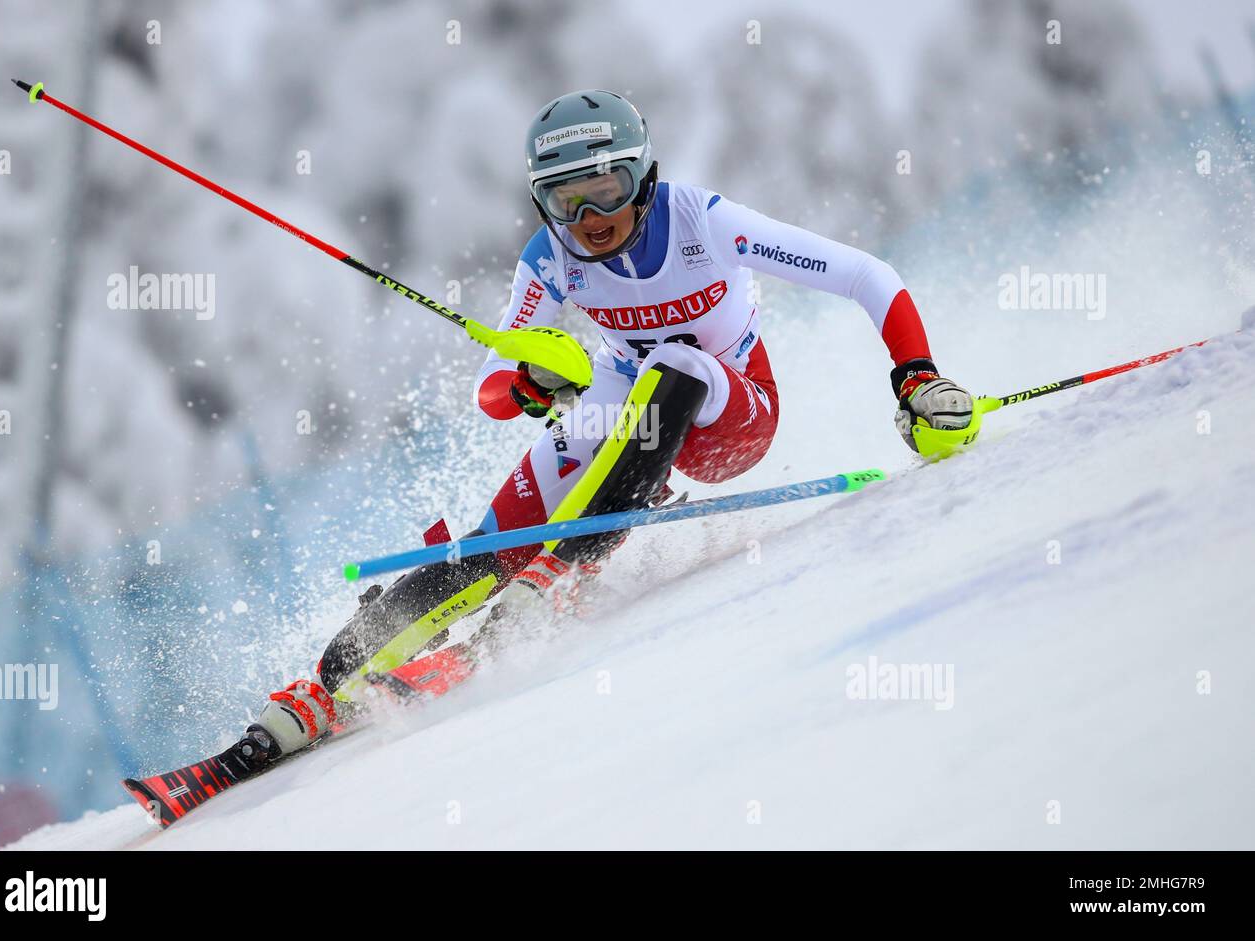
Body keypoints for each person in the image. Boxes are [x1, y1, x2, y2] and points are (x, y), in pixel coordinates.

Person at [242, 89, 974, 764]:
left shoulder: (704, 222)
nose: (592, 219)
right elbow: (491, 392)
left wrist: (917, 377)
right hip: (632, 416)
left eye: (608, 190)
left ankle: (569, 560)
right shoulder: (551, 258)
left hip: (733, 415)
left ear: (644, 178)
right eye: (567, 201)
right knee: (498, 533)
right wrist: (530, 380)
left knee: (677, 365)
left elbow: (866, 274)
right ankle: (331, 679)